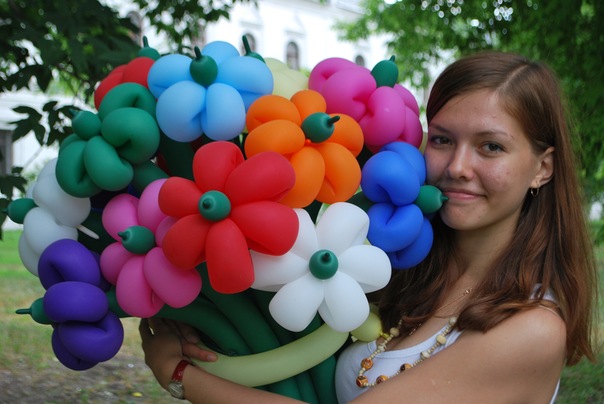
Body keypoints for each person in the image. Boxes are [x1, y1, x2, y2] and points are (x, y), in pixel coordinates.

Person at [139, 51, 599, 403]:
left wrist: (179, 375)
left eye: (491, 147)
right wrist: (198, 327)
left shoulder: (532, 328)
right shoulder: (395, 267)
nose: (458, 167)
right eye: (442, 140)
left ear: (542, 168)